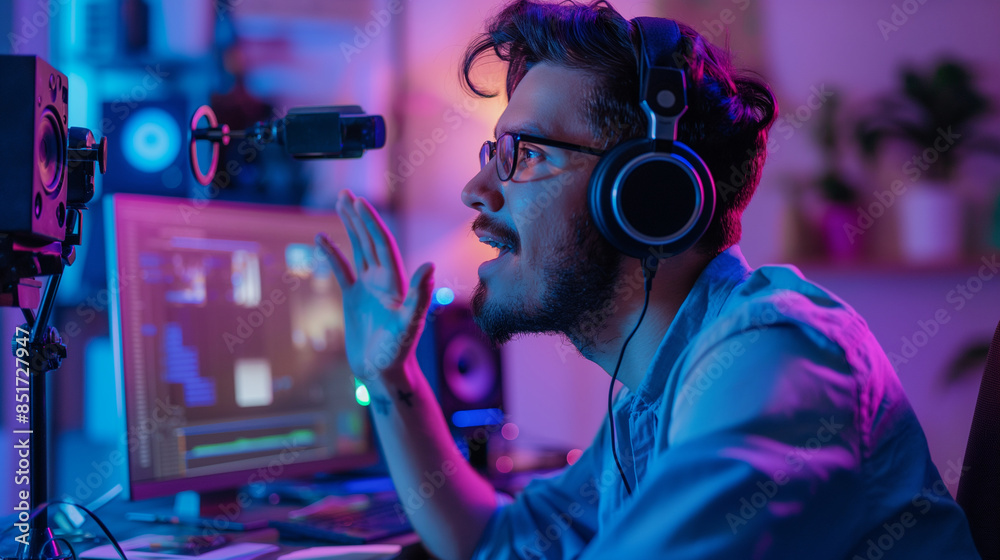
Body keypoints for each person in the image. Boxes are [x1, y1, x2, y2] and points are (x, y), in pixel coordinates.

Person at [315, 1, 980, 558]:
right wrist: (390, 379)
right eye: (496, 153)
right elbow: (496, 540)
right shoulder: (651, 402)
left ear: (645, 193)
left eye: (526, 154)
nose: (475, 190)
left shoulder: (778, 357)